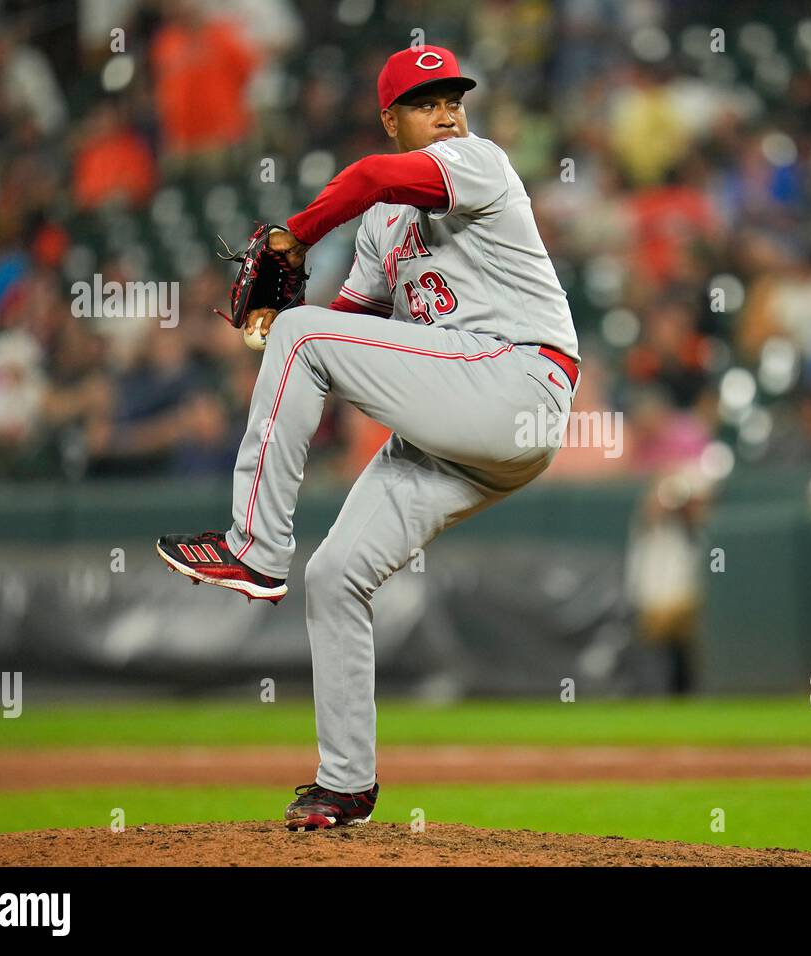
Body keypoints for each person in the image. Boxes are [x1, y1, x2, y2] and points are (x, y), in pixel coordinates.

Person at [155, 45, 580, 828]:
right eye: (426, 102)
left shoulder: (477, 162)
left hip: (517, 380)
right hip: (460, 429)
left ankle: (252, 546)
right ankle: (345, 783)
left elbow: (369, 179)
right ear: (392, 117)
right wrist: (276, 328)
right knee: (338, 573)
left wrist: (297, 236)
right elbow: (343, 332)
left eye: (455, 96)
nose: (448, 111)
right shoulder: (385, 228)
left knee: (308, 340)